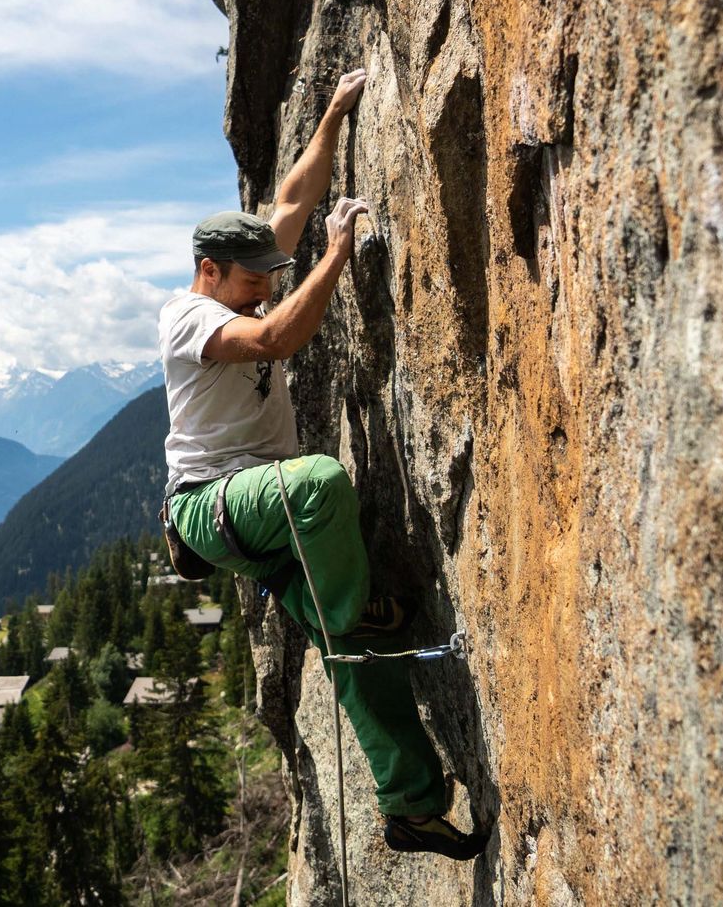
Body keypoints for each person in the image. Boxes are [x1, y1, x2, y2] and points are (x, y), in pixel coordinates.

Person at [158, 66, 490, 859]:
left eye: (267, 276)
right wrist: (335, 257)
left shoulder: (239, 271)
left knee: (363, 655)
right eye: (251, 280)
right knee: (321, 481)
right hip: (209, 505)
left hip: (257, 513)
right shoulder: (187, 315)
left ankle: (410, 806)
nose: (262, 289)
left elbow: (294, 200)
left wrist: (336, 113)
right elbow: (272, 340)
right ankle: (353, 608)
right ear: (210, 272)